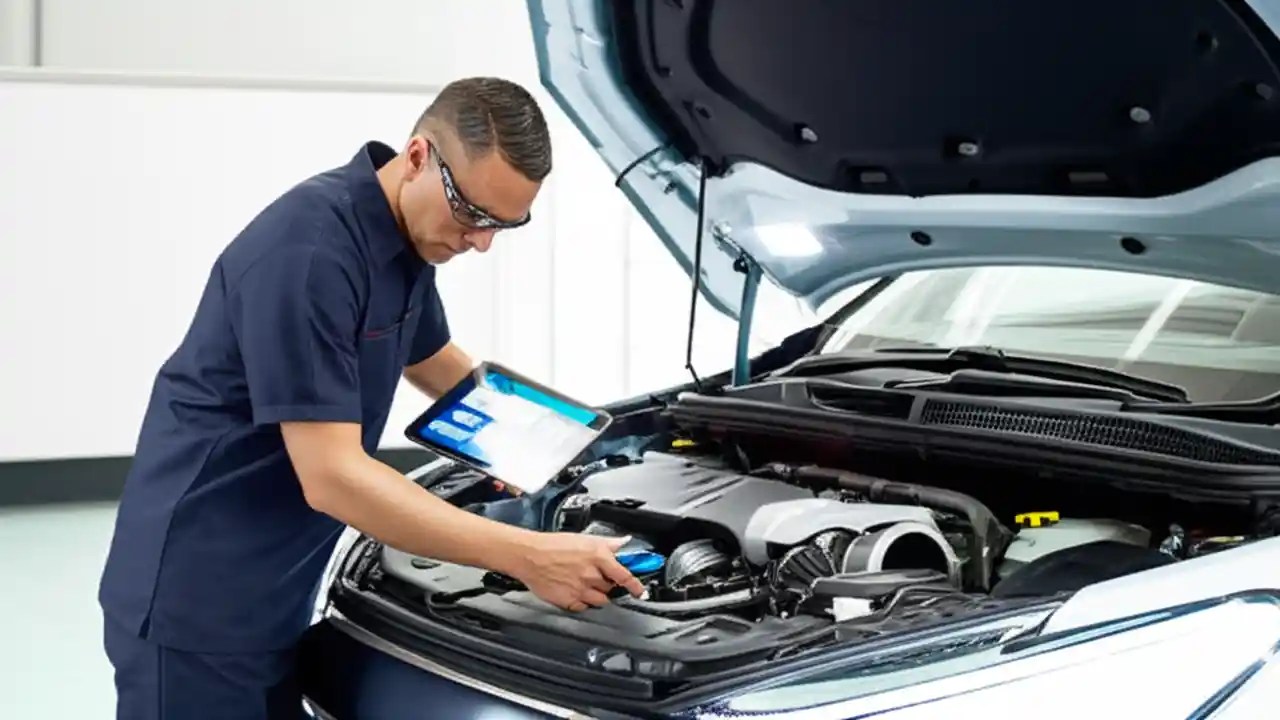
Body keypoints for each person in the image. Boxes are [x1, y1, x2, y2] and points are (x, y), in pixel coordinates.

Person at [97, 76, 644, 719]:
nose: (482, 241)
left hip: (276, 589)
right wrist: (528, 556)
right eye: (472, 213)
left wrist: (553, 447)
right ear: (417, 157)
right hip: (200, 603)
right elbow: (333, 477)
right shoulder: (309, 258)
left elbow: (436, 362)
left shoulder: (404, 236)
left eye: (505, 223)